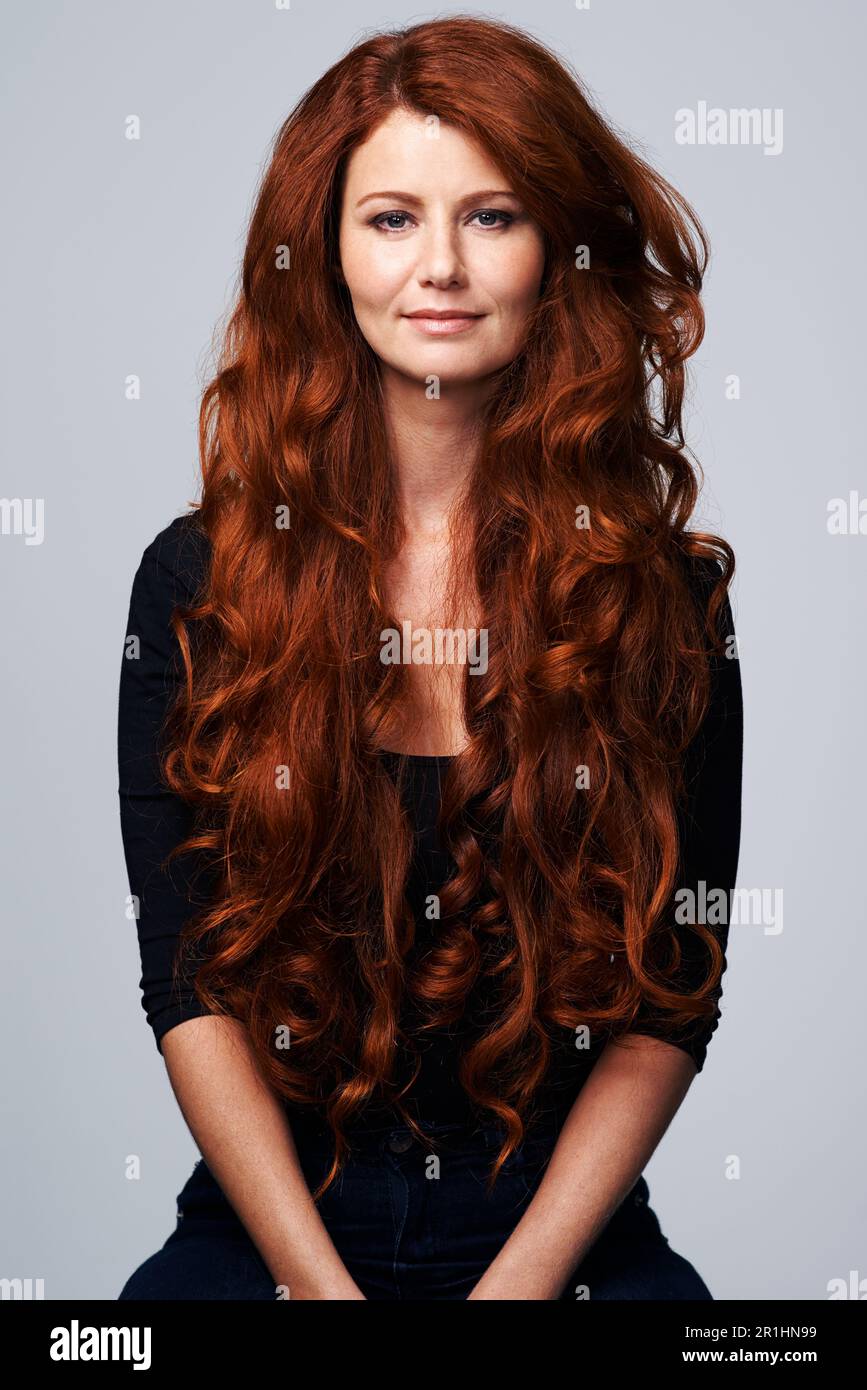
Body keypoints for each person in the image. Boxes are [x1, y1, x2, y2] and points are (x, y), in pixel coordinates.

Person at [116, 15, 743, 1301]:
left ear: (557, 256)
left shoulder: (665, 601)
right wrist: (317, 1286)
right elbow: (188, 986)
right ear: (325, 252)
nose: (441, 267)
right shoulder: (197, 582)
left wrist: (515, 1295)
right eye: (392, 218)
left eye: (494, 217)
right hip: (273, 1222)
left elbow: (670, 1003)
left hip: (562, 1230)